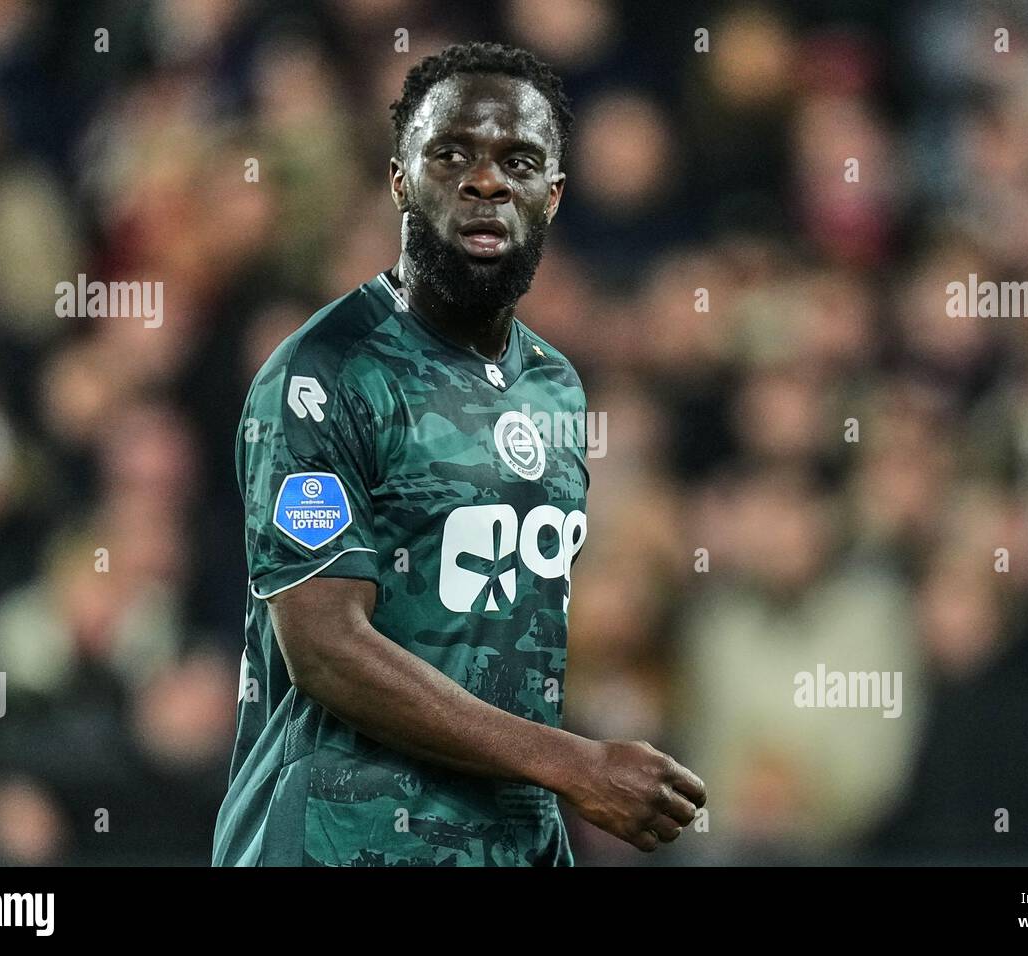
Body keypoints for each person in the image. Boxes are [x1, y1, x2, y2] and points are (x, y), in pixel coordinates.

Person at [212, 41, 705, 866]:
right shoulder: (323, 373)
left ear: (553, 195)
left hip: (505, 845)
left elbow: (506, 638)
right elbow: (325, 648)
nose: (486, 181)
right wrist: (573, 764)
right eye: (452, 154)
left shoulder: (555, 386)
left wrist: (548, 817)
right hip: (337, 842)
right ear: (400, 178)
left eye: (518, 160)